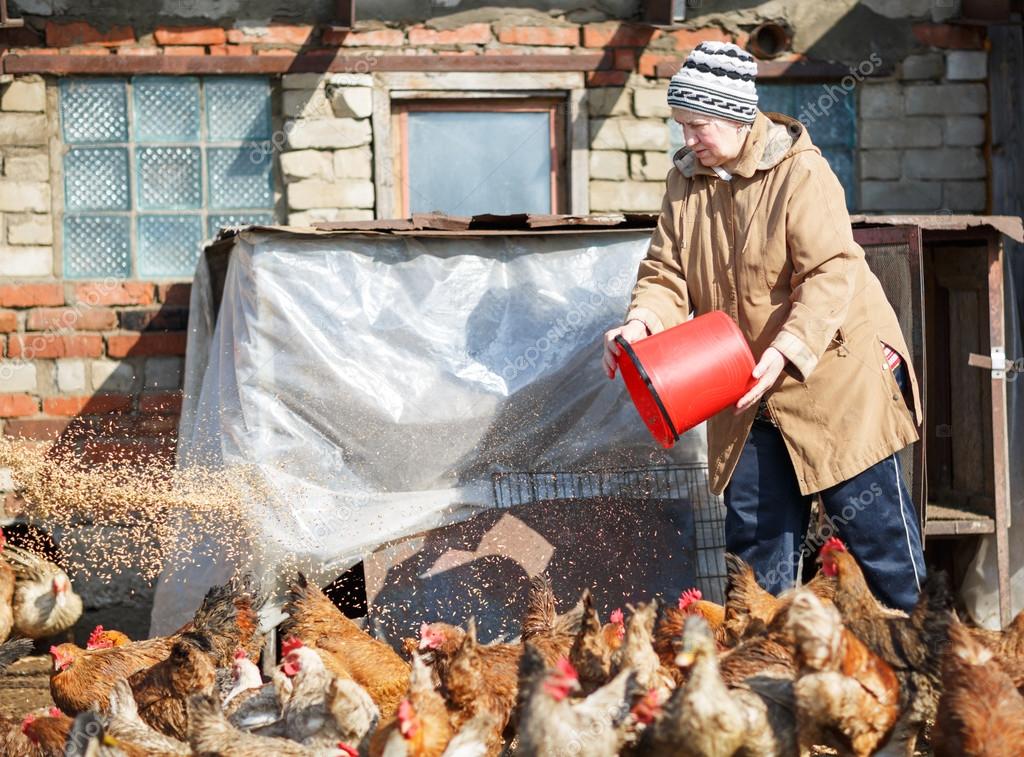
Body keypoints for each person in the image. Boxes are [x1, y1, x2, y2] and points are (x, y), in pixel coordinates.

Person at [602, 41, 926, 612]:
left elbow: (833, 270)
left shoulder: (801, 173)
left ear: (735, 114)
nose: (688, 141)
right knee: (756, 565)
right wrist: (642, 324)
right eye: (680, 126)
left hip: (833, 378)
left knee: (880, 553)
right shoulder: (686, 182)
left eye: (697, 125)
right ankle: (766, 688)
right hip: (745, 387)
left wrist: (789, 347)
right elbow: (667, 271)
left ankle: (920, 676)